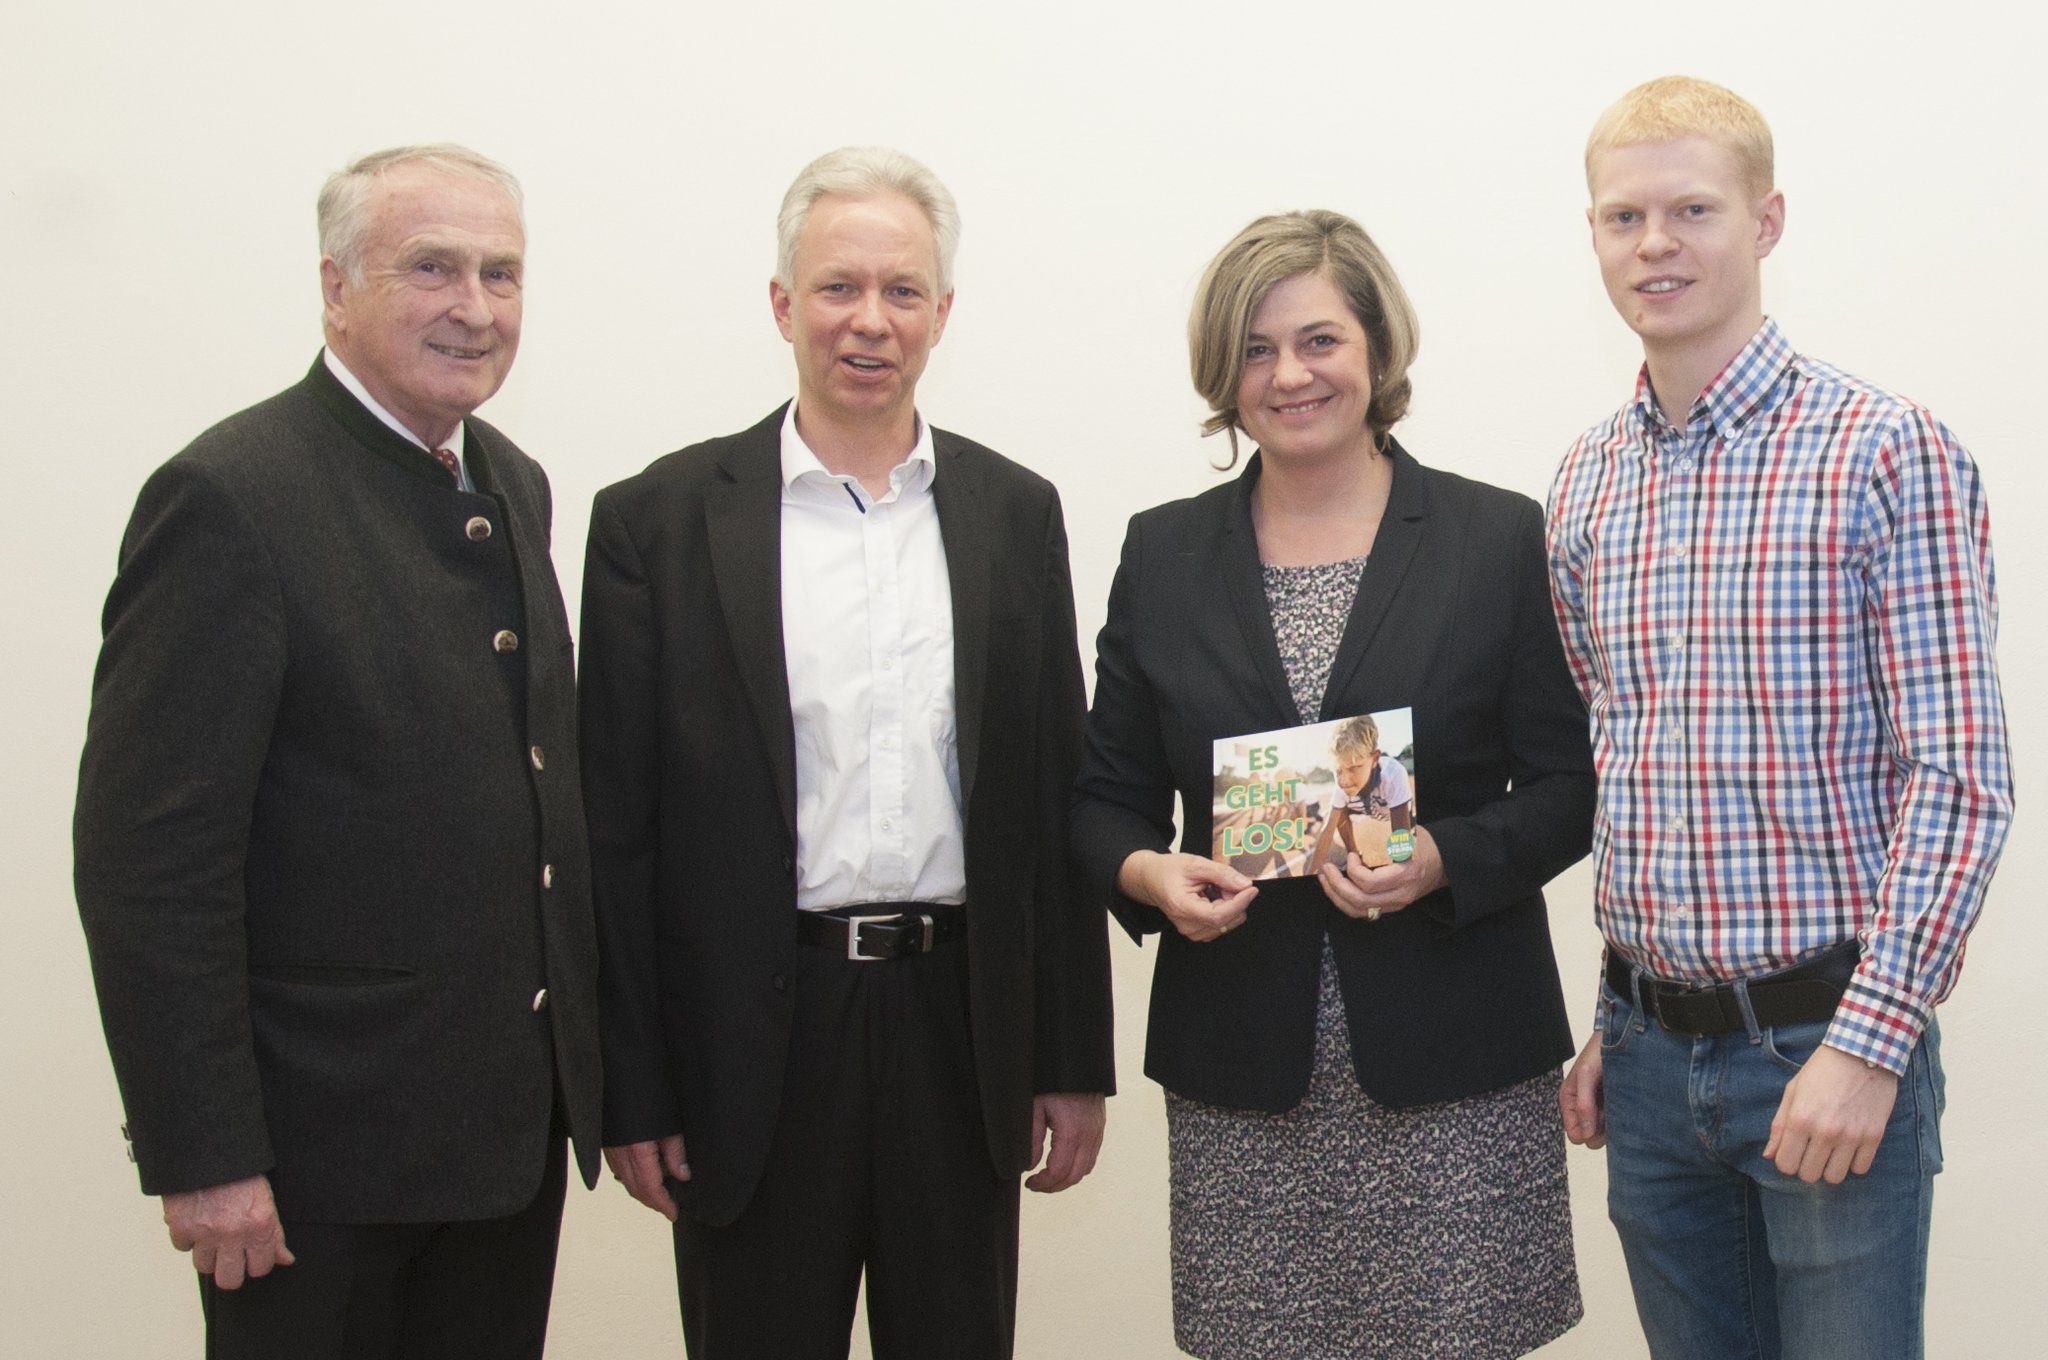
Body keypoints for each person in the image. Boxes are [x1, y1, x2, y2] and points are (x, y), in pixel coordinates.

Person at [577, 146, 1115, 1360]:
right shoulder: (654, 524)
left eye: (901, 290)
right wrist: (635, 1084)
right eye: (835, 287)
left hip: (958, 1028)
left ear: (940, 314)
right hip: (749, 1042)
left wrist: (1068, 1058)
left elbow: (1046, 797)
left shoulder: (1012, 513)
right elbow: (617, 830)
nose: (868, 320)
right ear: (781, 304)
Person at [72, 144, 601, 1359]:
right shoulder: (230, 495)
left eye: (501, 273)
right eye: (431, 268)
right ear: (334, 287)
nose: (474, 308)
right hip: (314, 1168)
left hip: (498, 1147)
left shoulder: (510, 481)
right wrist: (205, 1153)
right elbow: (150, 865)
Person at [1071, 209, 1594, 1360]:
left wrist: (1444, 857)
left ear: (1374, 350)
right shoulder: (1161, 553)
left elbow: (1566, 782)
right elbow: (1100, 795)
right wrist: (1152, 872)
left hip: (1452, 1061)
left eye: (1317, 340)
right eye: (1254, 350)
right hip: (1243, 1073)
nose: (1288, 374)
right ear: (1224, 372)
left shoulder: (1490, 534)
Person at [1548, 76, 2013, 1360]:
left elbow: (1959, 780)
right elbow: (1627, 766)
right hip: (1646, 1065)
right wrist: (1611, 1016)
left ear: (1765, 220)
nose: (1656, 243)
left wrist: (1868, 1048)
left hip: (1825, 1044)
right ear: (1591, 236)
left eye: (1691, 207)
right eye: (1622, 215)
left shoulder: (1883, 451)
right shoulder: (1583, 484)